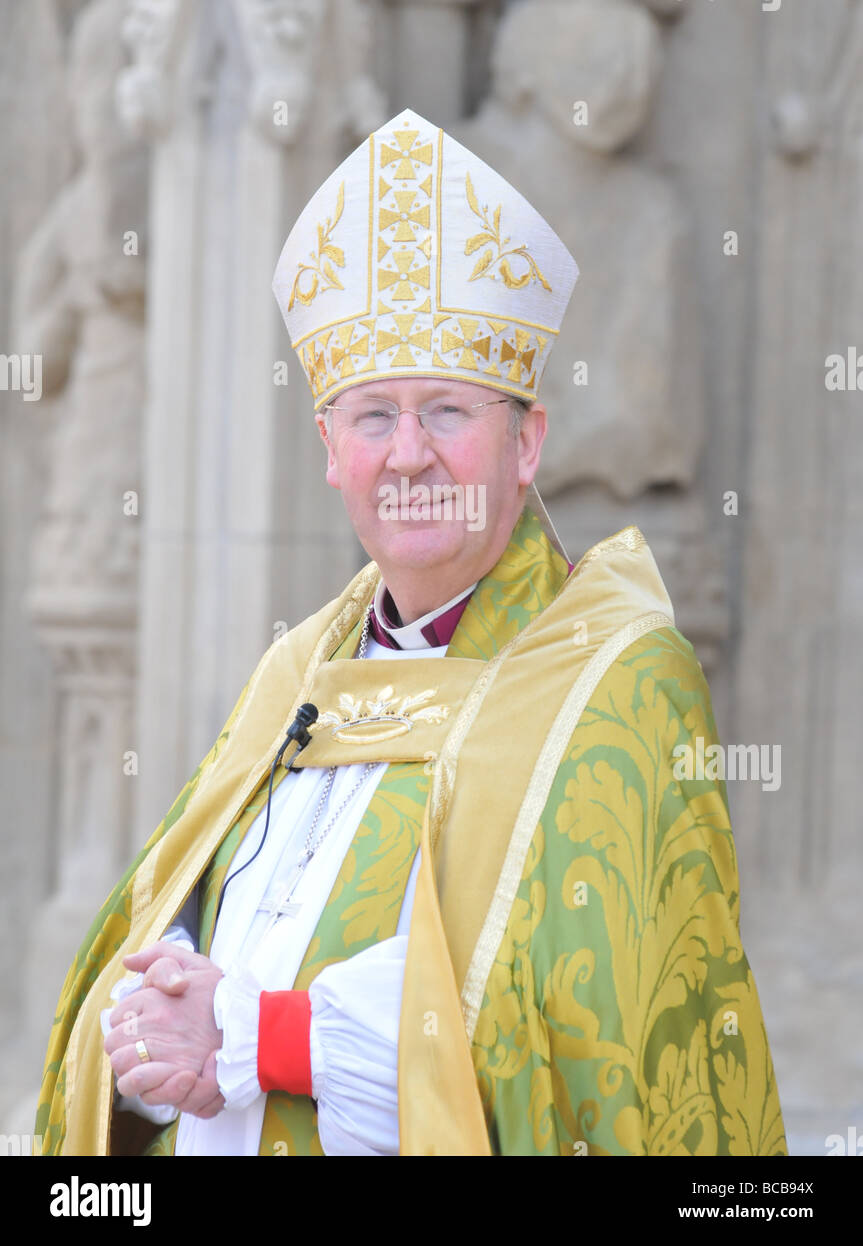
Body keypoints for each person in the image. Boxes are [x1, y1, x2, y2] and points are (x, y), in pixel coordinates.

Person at [37, 107, 787, 1156]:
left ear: (526, 442)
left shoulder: (612, 678)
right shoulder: (298, 672)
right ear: (328, 448)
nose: (407, 457)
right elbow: (178, 941)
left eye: (446, 412)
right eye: (373, 416)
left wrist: (262, 1035)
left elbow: (585, 1037)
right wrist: (154, 1033)